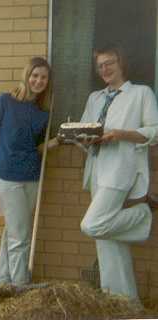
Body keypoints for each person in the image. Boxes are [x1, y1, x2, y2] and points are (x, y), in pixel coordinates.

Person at [0, 56, 58, 287]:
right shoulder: (5, 101)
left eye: (43, 77)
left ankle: (1, 283)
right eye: (35, 75)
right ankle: (20, 286)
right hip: (7, 177)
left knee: (15, 231)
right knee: (20, 237)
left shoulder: (43, 112)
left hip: (32, 177)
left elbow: (35, 147)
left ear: (47, 82)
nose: (38, 81)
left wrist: (56, 142)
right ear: (27, 75)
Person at [79, 44, 158, 300]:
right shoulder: (95, 98)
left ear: (121, 62)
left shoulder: (141, 93)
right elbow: (85, 128)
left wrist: (121, 134)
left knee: (93, 225)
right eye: (100, 66)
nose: (104, 69)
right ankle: (122, 303)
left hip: (121, 171)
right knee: (108, 242)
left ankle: (141, 215)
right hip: (97, 170)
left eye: (109, 63)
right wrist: (82, 138)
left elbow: (154, 131)